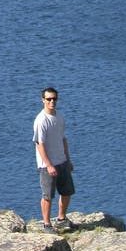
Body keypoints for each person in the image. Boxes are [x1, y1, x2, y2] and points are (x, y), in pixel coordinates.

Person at [33, 87, 75, 231]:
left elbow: (63, 139)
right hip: (47, 165)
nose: (52, 101)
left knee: (67, 191)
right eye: (49, 99)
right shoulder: (41, 120)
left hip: (62, 161)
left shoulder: (59, 117)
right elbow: (40, 144)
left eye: (54, 99)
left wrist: (68, 160)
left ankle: (61, 219)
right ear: (43, 100)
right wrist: (49, 165)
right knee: (48, 195)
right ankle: (46, 224)